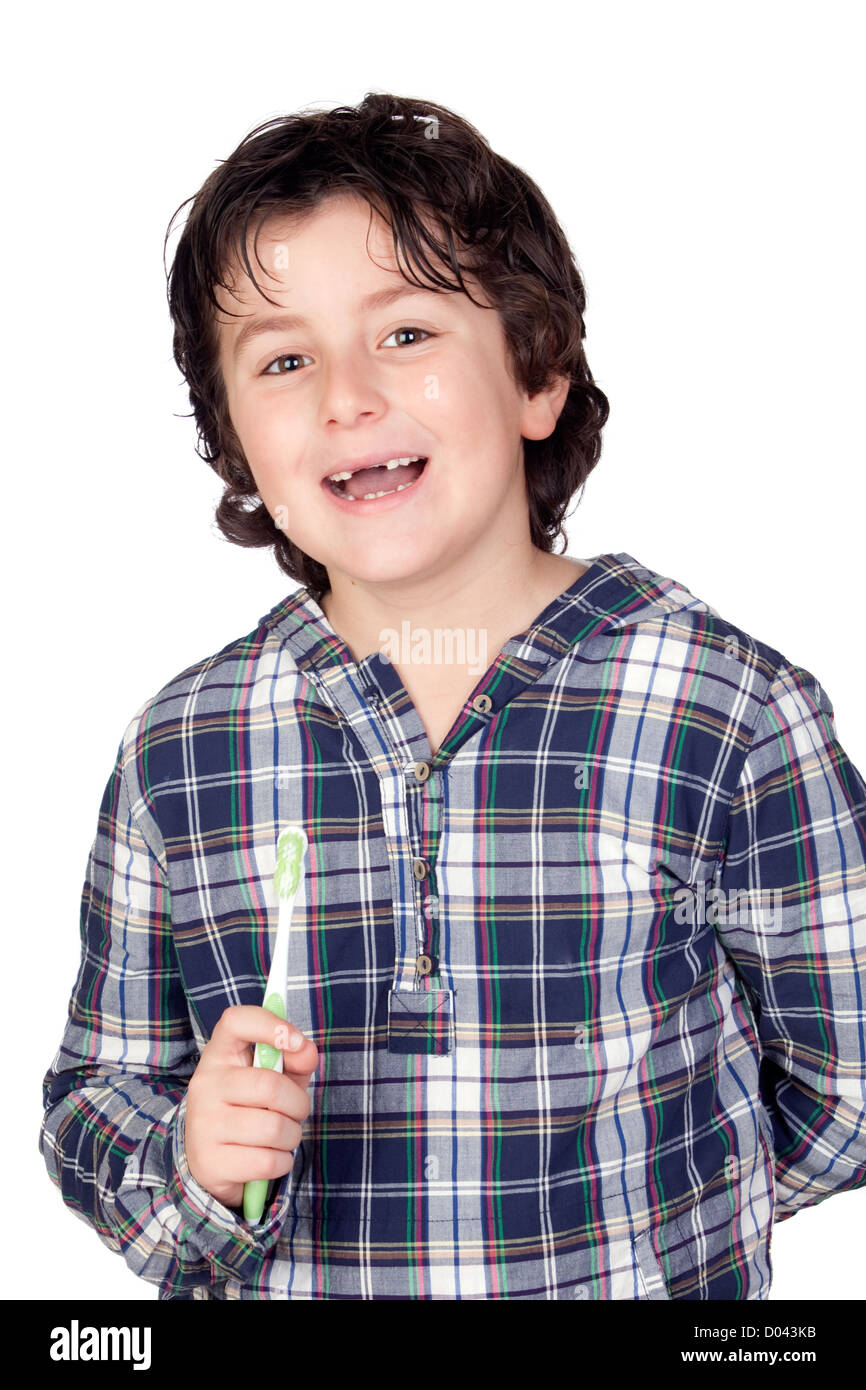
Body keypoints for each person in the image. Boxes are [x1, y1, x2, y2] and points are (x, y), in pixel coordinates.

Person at [39, 91, 866, 1300]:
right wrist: (192, 1167)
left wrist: (668, 1216)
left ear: (536, 377)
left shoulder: (725, 710)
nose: (345, 393)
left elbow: (845, 1084)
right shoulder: (182, 748)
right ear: (239, 450)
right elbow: (96, 1098)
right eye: (281, 358)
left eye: (407, 334)